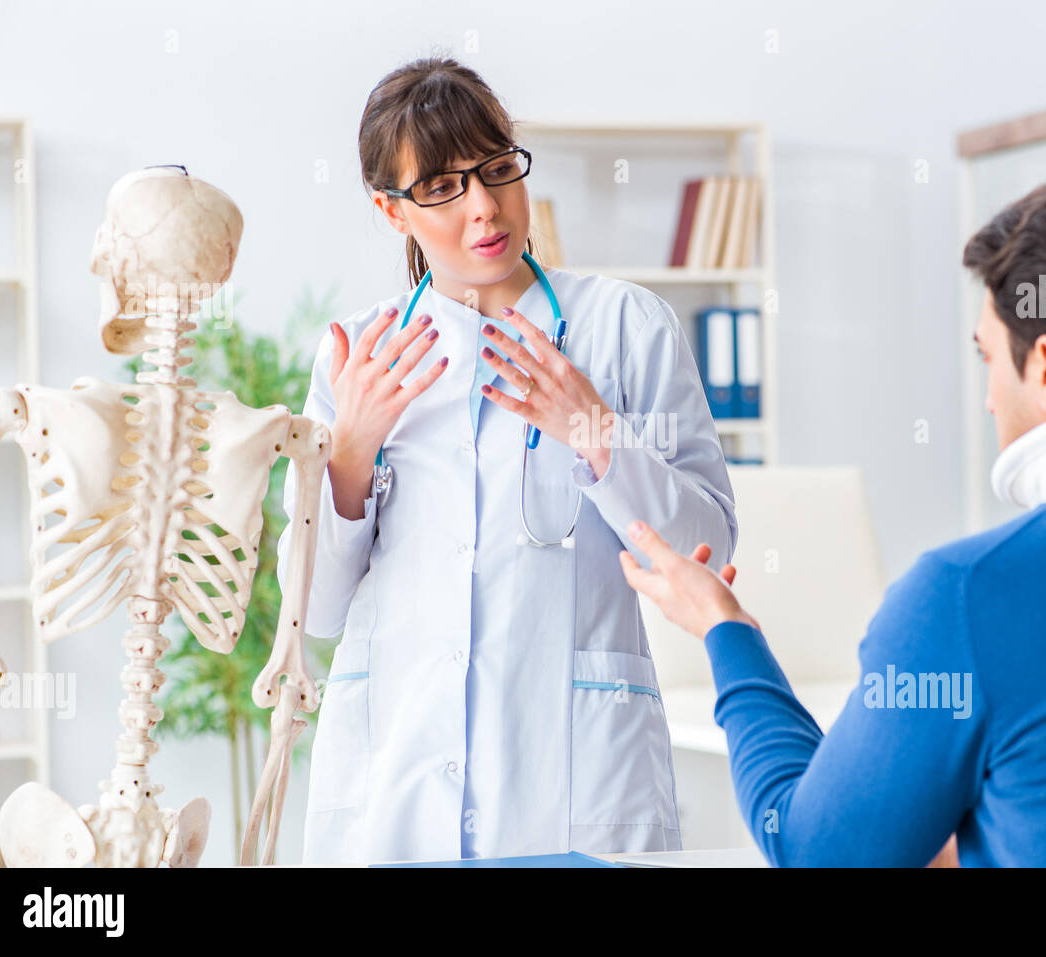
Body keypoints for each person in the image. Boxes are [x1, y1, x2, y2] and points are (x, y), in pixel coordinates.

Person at [621, 158, 1046, 866]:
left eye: (988, 357)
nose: (991, 398)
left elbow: (815, 852)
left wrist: (726, 628)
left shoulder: (969, 595)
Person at [276, 58, 736, 864]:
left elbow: (712, 551)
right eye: (443, 188)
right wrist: (348, 461)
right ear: (392, 211)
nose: (484, 208)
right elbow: (311, 615)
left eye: (496, 171)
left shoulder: (627, 327)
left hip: (573, 793)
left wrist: (596, 432)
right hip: (395, 791)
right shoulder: (357, 355)